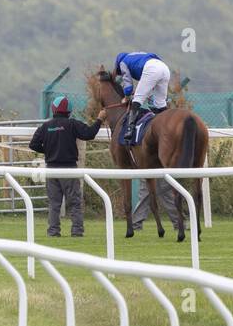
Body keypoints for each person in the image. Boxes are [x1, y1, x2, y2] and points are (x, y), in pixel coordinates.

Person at [28, 96, 105, 237]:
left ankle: (53, 231)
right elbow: (89, 134)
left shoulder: (45, 126)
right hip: (69, 170)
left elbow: (33, 144)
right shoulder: (72, 124)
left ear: (53, 109)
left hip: (51, 170)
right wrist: (99, 119)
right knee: (74, 202)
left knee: (54, 203)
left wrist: (49, 150)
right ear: (69, 111)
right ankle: (76, 231)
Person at [113, 51, 170, 145]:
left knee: (137, 100)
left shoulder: (122, 62)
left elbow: (128, 86)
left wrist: (126, 98)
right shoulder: (135, 56)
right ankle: (167, 127)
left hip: (152, 69)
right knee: (160, 103)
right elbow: (150, 82)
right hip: (164, 68)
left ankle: (129, 130)